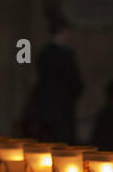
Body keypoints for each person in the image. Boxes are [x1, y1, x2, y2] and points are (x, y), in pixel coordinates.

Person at [26, 13, 83, 142]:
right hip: (59, 105)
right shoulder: (60, 53)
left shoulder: (47, 52)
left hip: (52, 104)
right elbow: (70, 79)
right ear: (63, 31)